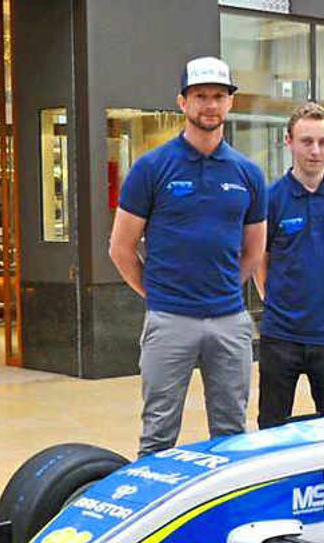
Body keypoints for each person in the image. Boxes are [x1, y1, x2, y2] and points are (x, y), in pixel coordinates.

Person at [109, 56, 266, 456]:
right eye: (200, 96)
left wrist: (226, 287)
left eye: (218, 96)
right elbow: (121, 247)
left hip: (229, 320)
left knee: (231, 433)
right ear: (182, 102)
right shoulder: (151, 168)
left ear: (230, 103)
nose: (210, 105)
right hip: (170, 320)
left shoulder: (248, 173)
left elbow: (254, 250)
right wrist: (156, 294)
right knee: (158, 433)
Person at [255, 102, 324, 429]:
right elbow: (260, 260)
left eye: (323, 142)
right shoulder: (270, 199)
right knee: (271, 427)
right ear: (289, 141)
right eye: (306, 141)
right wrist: (275, 300)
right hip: (280, 335)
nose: (315, 150)